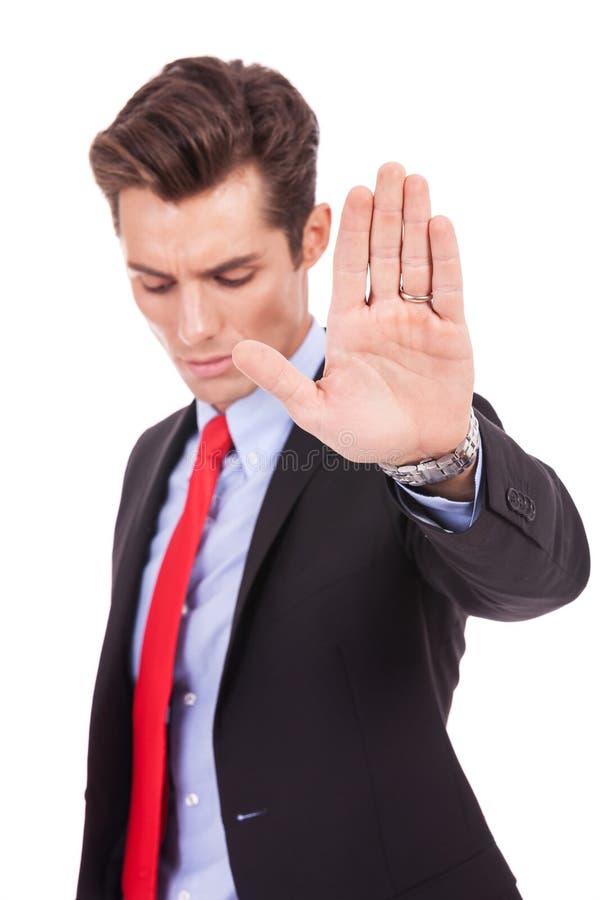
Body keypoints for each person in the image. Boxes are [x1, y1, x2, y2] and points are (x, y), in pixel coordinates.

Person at [76, 56, 590, 900]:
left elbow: (545, 576)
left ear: (311, 239)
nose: (191, 326)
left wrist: (437, 454)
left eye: (231, 276)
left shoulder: (396, 435)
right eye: (154, 282)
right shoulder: (150, 459)